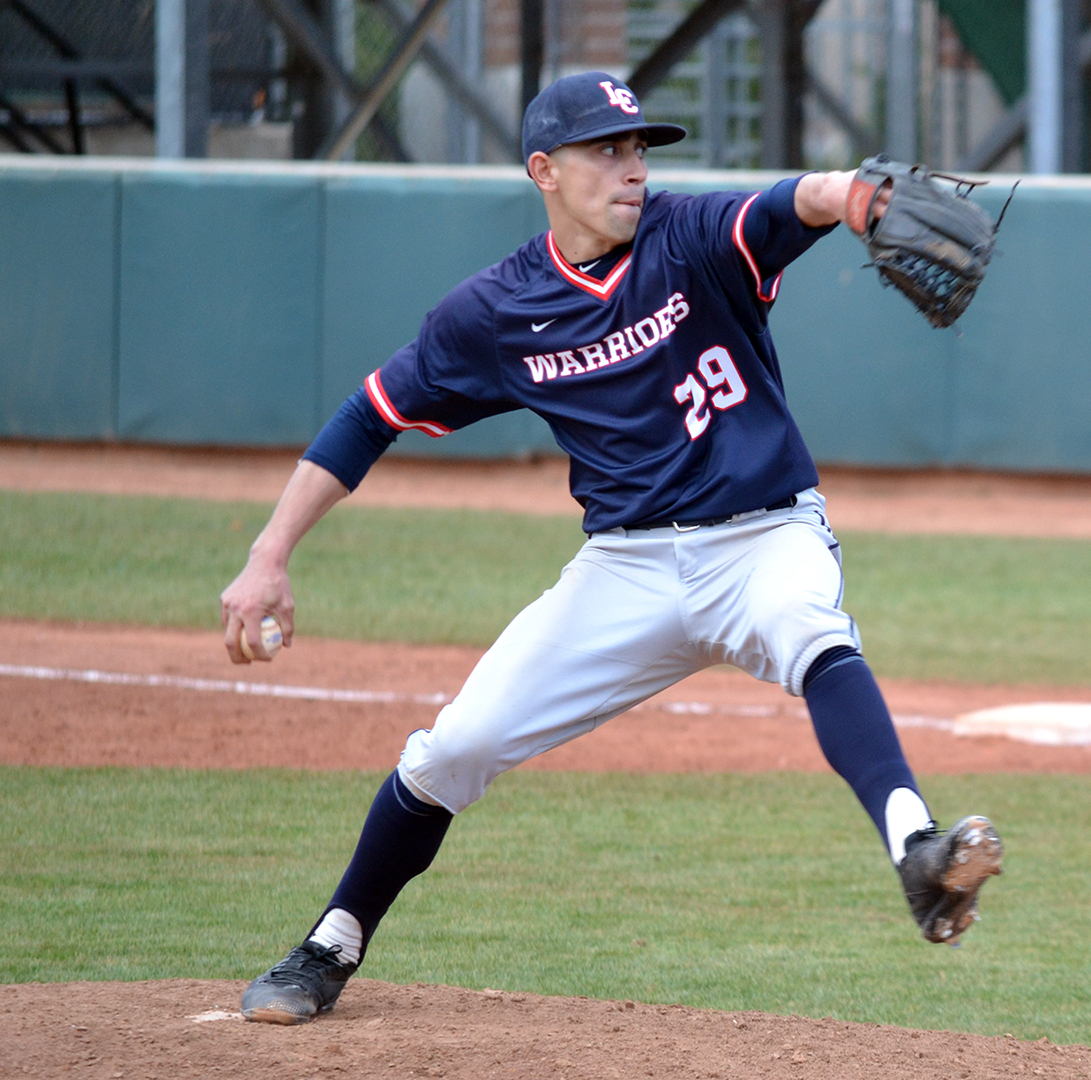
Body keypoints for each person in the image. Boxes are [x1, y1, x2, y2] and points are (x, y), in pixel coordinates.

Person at [219, 71, 1003, 1026]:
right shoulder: (498, 310)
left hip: (763, 537)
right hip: (624, 571)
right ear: (545, 170)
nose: (633, 169)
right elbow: (372, 412)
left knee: (810, 629)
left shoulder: (691, 236)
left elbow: (795, 202)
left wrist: (850, 195)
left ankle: (919, 853)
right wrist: (270, 554)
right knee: (454, 747)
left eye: (639, 149)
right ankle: (330, 945)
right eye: (608, 150)